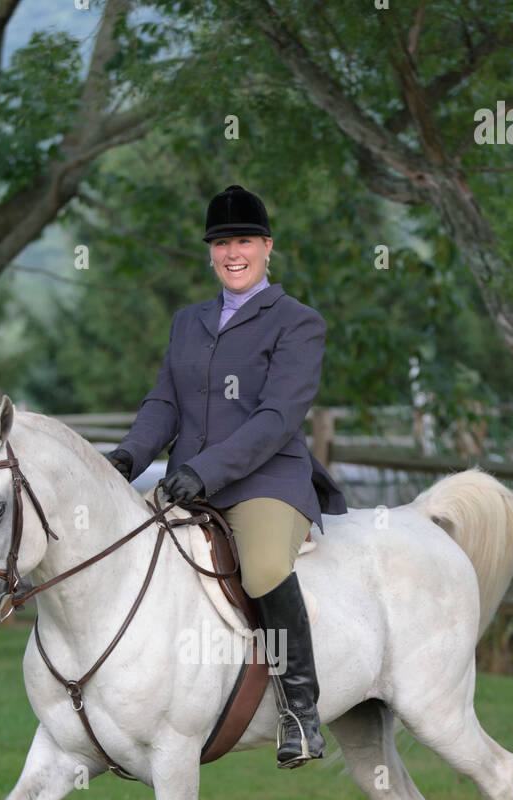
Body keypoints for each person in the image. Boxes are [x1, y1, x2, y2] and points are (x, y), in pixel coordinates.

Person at [105, 184, 347, 768]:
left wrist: (205, 470)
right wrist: (125, 460)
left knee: (263, 568)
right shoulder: (189, 322)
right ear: (210, 253)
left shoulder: (298, 323)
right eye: (221, 243)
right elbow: (164, 402)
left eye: (243, 241)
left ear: (267, 247)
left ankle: (300, 711)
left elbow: (275, 419)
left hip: (265, 481)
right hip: (188, 479)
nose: (232, 253)